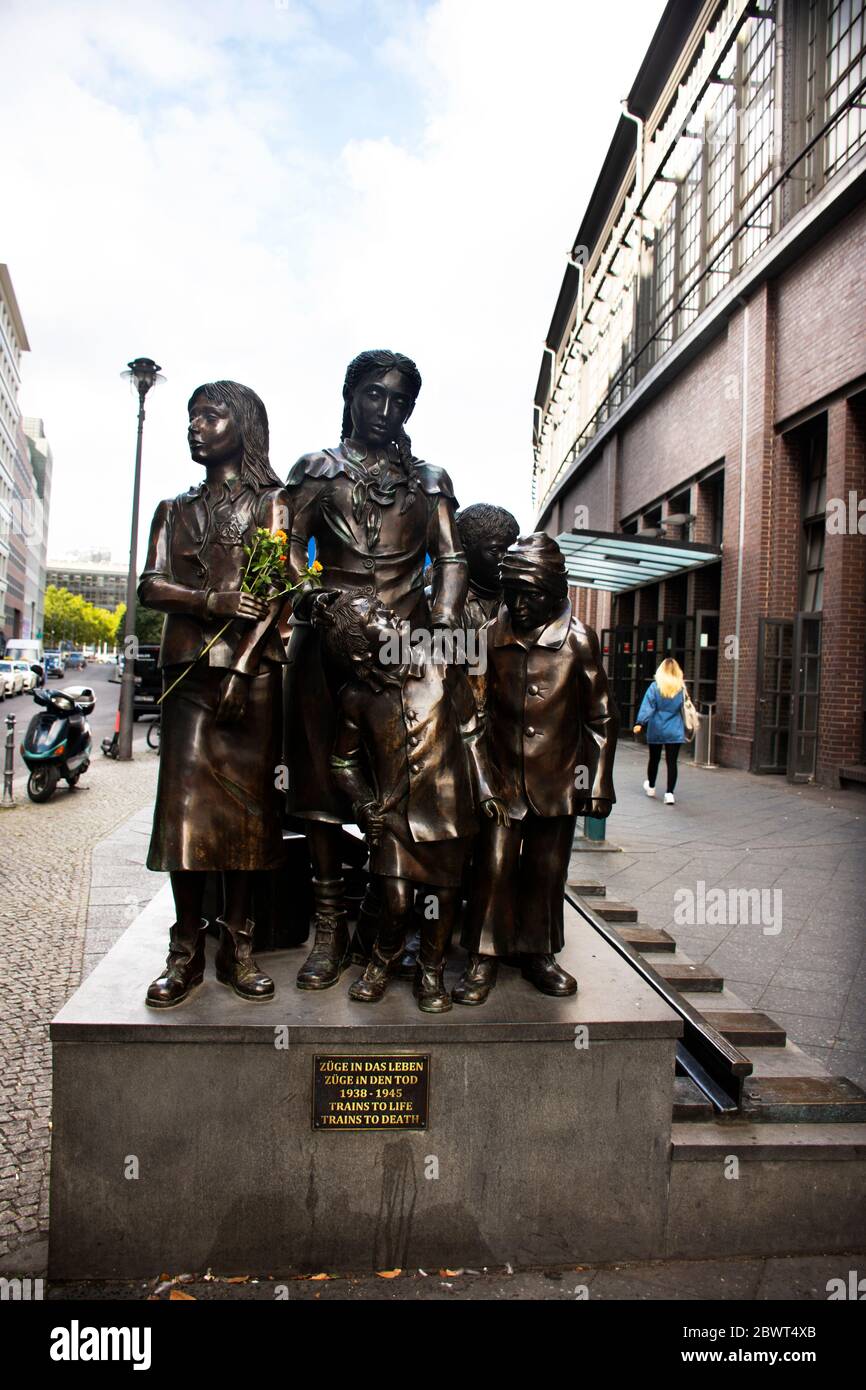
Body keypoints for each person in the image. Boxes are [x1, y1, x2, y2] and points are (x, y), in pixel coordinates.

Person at [285, 349, 468, 991]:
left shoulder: (430, 480)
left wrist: (443, 619)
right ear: (351, 396)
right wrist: (316, 599)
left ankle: (392, 923)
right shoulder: (315, 469)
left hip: (403, 649)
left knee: (406, 780)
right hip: (324, 641)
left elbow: (451, 558)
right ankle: (330, 923)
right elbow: (284, 549)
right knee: (321, 779)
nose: (387, 411)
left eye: (400, 401)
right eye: (374, 396)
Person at [140, 381, 291, 1008]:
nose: (195, 427)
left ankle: (239, 943)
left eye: (210, 416)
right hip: (187, 676)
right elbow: (151, 585)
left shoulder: (274, 503)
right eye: (191, 417)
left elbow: (280, 590)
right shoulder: (172, 509)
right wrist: (210, 601)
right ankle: (185, 947)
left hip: (248, 676)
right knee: (184, 812)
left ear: (244, 425)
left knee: (248, 815)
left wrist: (241, 666)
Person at [454, 533, 618, 1006]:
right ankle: (483, 954)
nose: (520, 606)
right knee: (494, 867)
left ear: (555, 593)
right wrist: (482, 779)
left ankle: (538, 952)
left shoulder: (579, 641)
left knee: (547, 871)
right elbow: (471, 717)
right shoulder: (488, 638)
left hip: (558, 781)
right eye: (513, 595)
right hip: (501, 780)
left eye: (532, 596)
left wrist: (599, 781)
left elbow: (601, 718)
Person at [322, 591, 504, 1012]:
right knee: (395, 899)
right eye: (381, 618)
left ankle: (431, 971)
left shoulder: (441, 662)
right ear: (361, 651)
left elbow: (471, 732)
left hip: (446, 809)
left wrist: (487, 790)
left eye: (387, 609)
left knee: (440, 900)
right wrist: (364, 805)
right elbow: (341, 762)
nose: (395, 617)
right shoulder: (355, 697)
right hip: (393, 815)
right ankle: (381, 962)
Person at [633, 658, 687, 805]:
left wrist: (640, 723)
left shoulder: (655, 687)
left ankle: (651, 786)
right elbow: (685, 706)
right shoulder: (680, 688)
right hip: (675, 728)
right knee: (672, 762)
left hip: (656, 727)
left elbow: (647, 706)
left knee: (654, 759)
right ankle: (669, 794)